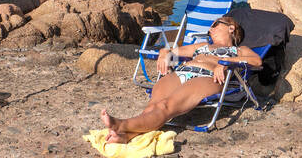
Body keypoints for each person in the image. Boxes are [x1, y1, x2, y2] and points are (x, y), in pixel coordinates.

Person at [100, 14, 261, 142]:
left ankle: (121, 124)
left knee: (165, 106)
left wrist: (225, 63)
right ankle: (126, 136)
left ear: (231, 28)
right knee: (153, 106)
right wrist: (164, 53)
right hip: (184, 72)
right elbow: (173, 51)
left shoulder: (239, 50)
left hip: (207, 78)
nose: (210, 29)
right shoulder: (202, 45)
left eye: (215, 24)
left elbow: (256, 61)